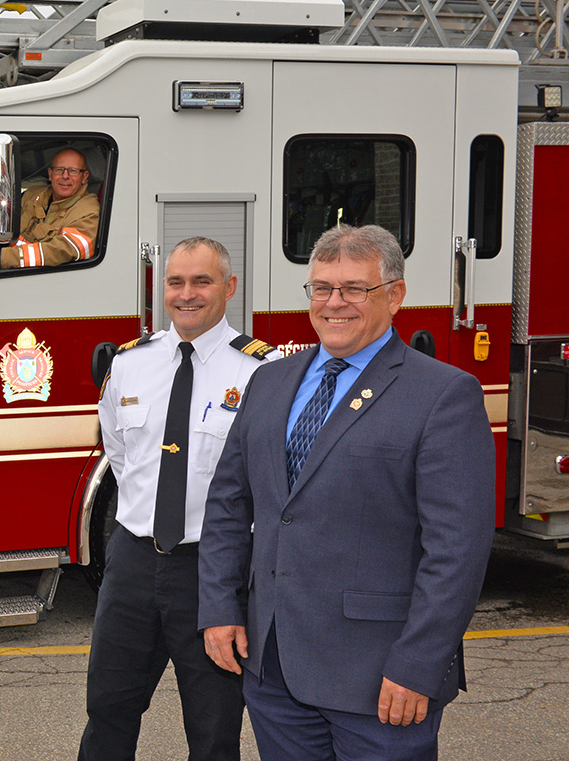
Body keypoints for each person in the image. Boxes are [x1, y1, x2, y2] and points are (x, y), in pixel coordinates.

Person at [198, 224, 495, 761]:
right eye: (321, 288)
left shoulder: (443, 395)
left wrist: (418, 667)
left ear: (395, 295)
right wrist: (220, 608)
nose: (334, 303)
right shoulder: (269, 380)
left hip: (380, 681)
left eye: (355, 289)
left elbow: (457, 552)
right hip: (275, 670)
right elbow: (227, 505)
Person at [79, 237, 278, 761]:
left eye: (201, 281)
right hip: (133, 561)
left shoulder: (262, 372)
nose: (186, 294)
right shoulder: (129, 364)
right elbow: (121, 456)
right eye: (175, 282)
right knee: (107, 711)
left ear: (229, 288)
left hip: (212, 571)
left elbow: (267, 480)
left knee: (214, 730)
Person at [0, 146, 100, 269]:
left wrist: (4, 259)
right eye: (59, 170)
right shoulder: (34, 195)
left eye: (73, 171)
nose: (65, 176)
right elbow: (0, 221)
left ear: (85, 177)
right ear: (50, 174)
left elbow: (66, 249)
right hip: (19, 274)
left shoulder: (88, 209)